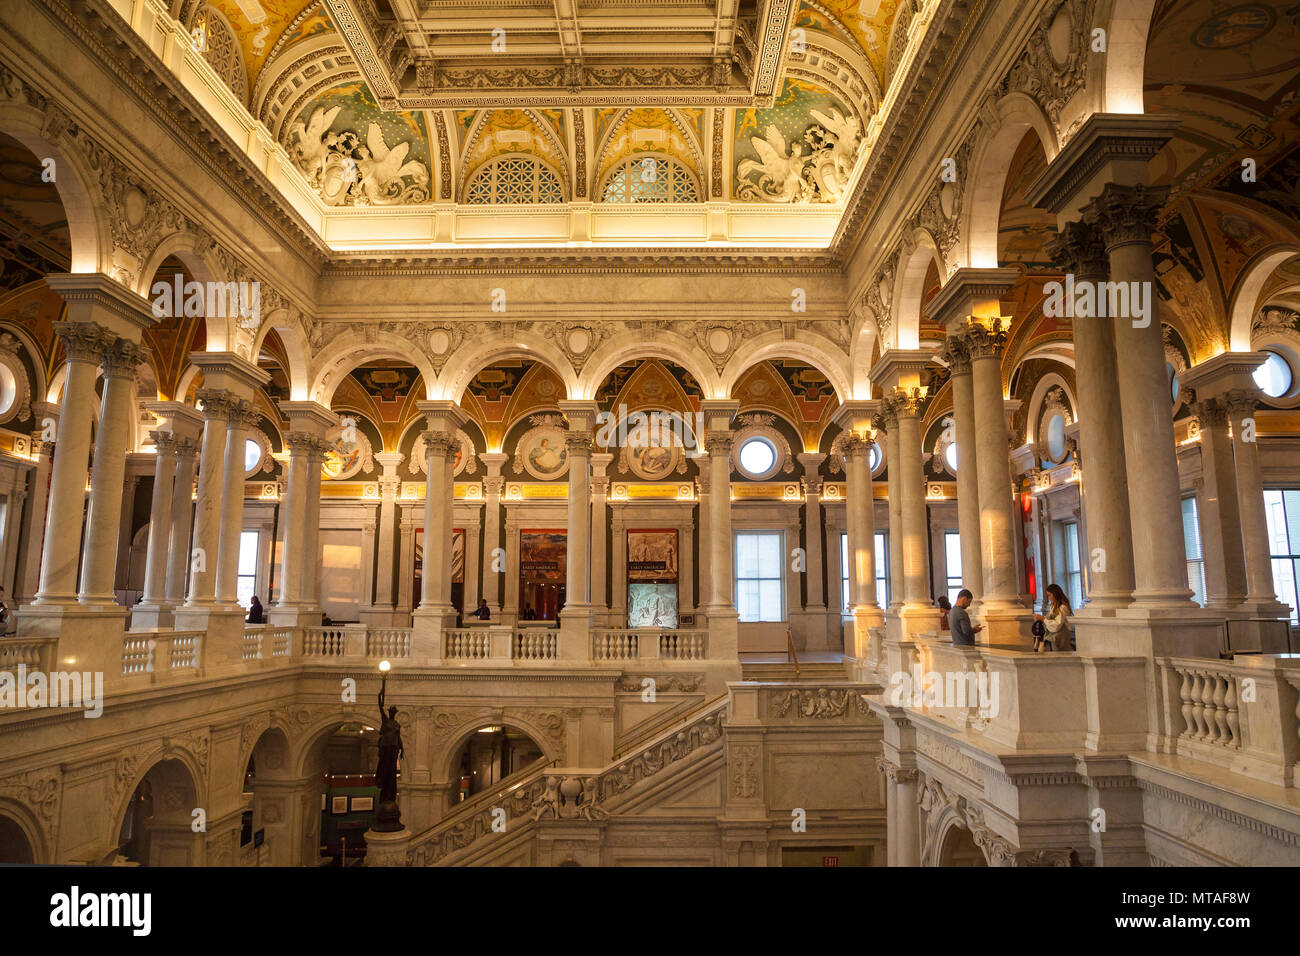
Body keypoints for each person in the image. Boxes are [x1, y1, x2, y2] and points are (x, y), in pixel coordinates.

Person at [1036, 584, 1072, 651]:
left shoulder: (1062, 608)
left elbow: (1057, 625)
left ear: (1055, 594)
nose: (1049, 598)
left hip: (1060, 638)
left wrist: (1043, 619)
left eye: (1050, 595)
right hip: (1053, 638)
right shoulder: (1053, 607)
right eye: (1048, 595)